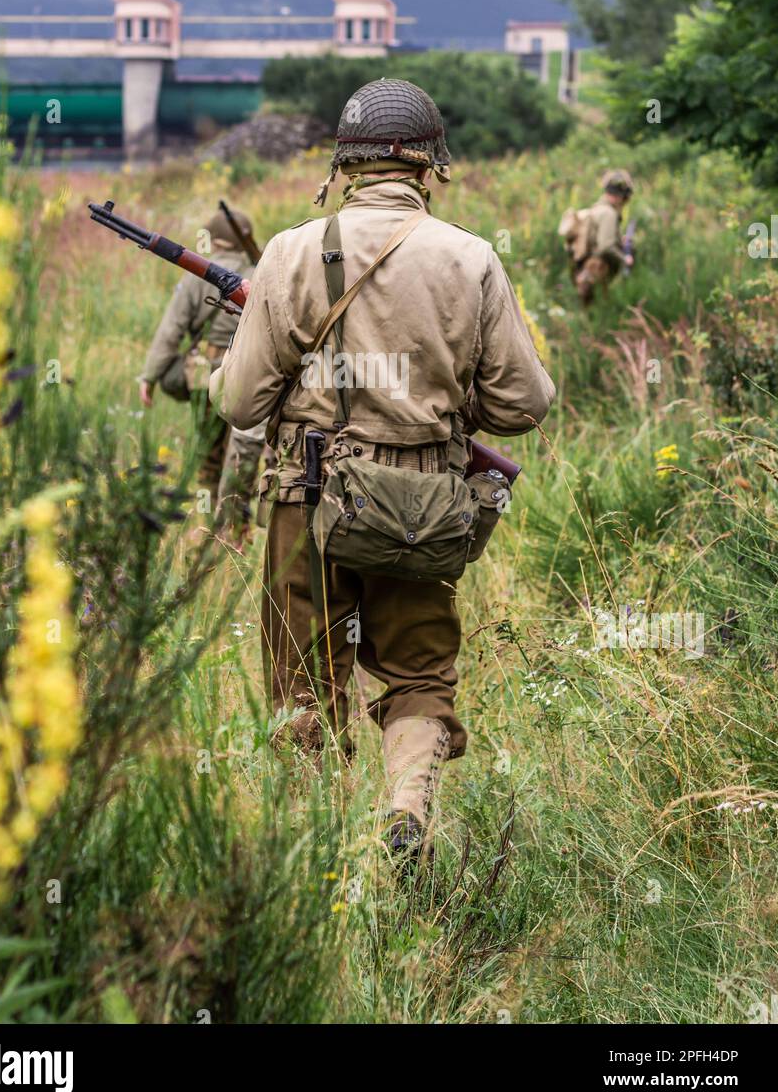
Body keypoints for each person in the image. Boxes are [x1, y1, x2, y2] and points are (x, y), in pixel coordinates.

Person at [210, 78, 555, 859]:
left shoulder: (291, 251)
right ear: (432, 163)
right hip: (424, 507)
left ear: (345, 165)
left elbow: (238, 403)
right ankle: (407, 811)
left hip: (308, 502)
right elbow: (523, 406)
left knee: (305, 677)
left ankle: (314, 857)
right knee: (420, 674)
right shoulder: (471, 258)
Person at [139, 206, 264, 542]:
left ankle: (210, 525)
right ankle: (236, 526)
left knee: (209, 454)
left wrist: (148, 376)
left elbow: (172, 329)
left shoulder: (198, 277)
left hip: (206, 379)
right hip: (251, 377)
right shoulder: (261, 272)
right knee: (240, 453)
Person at [560, 169, 634, 306]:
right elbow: (605, 247)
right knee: (598, 311)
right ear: (621, 196)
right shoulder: (609, 214)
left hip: (587, 271)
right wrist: (625, 259)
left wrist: (619, 240)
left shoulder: (597, 208)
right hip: (597, 272)